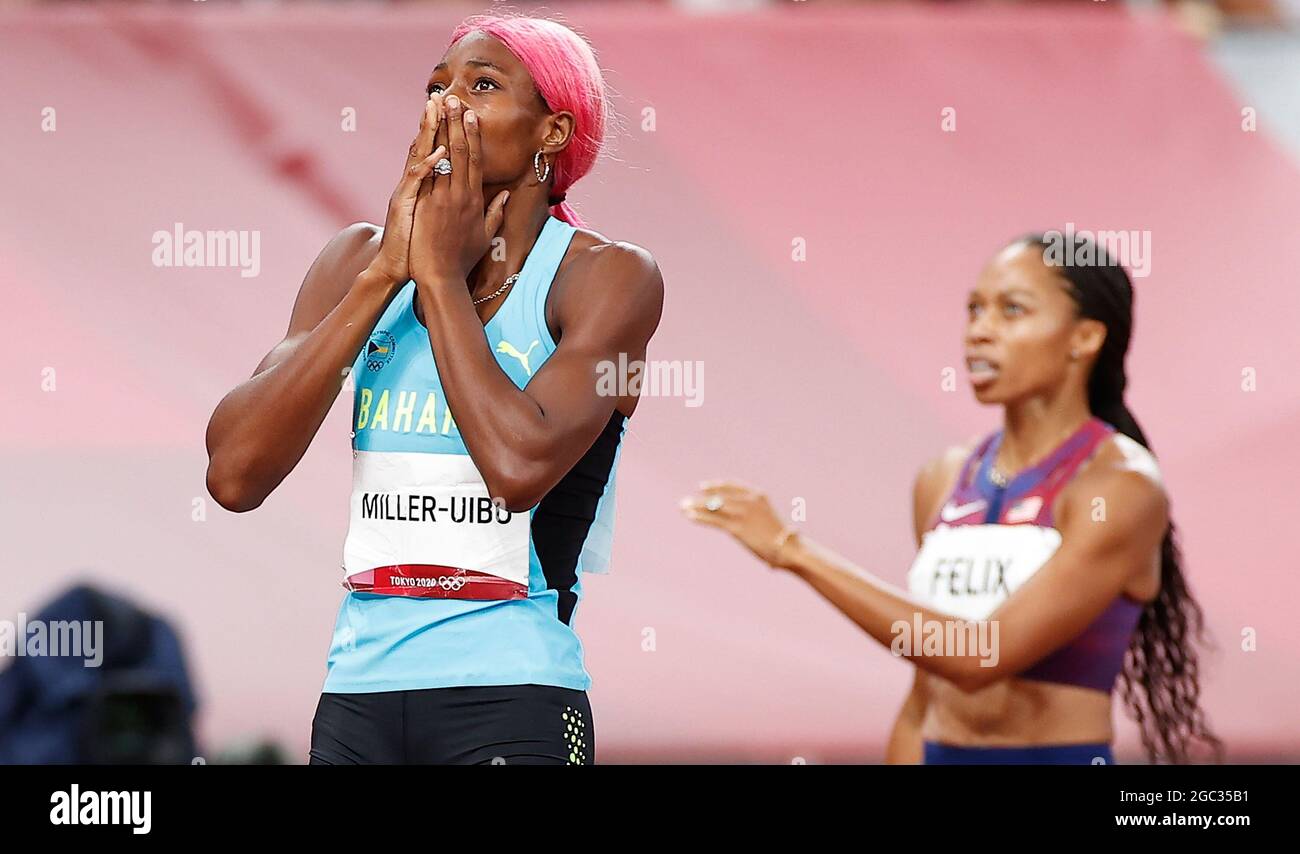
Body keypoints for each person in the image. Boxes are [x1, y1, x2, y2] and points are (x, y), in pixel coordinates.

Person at [205, 14, 663, 765]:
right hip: (359, 696)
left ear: (552, 131)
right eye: (436, 87)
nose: (447, 106)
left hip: (514, 696)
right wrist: (389, 271)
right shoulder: (358, 259)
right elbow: (233, 474)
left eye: (482, 85)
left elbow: (517, 471)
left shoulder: (605, 276)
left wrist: (442, 278)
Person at [681, 234, 1220, 764]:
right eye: (974, 310)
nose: (979, 332)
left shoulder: (1121, 486)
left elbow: (980, 657)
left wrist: (791, 550)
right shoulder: (942, 479)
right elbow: (925, 693)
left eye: (1012, 311)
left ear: (1084, 339)